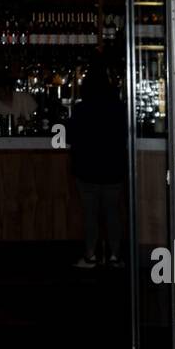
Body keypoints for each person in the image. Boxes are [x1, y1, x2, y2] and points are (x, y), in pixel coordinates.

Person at [66, 58, 128, 269]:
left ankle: (91, 255)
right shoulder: (119, 109)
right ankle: (115, 256)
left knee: (90, 214)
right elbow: (125, 137)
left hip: (87, 170)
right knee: (113, 213)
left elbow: (70, 138)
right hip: (113, 169)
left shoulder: (81, 110)